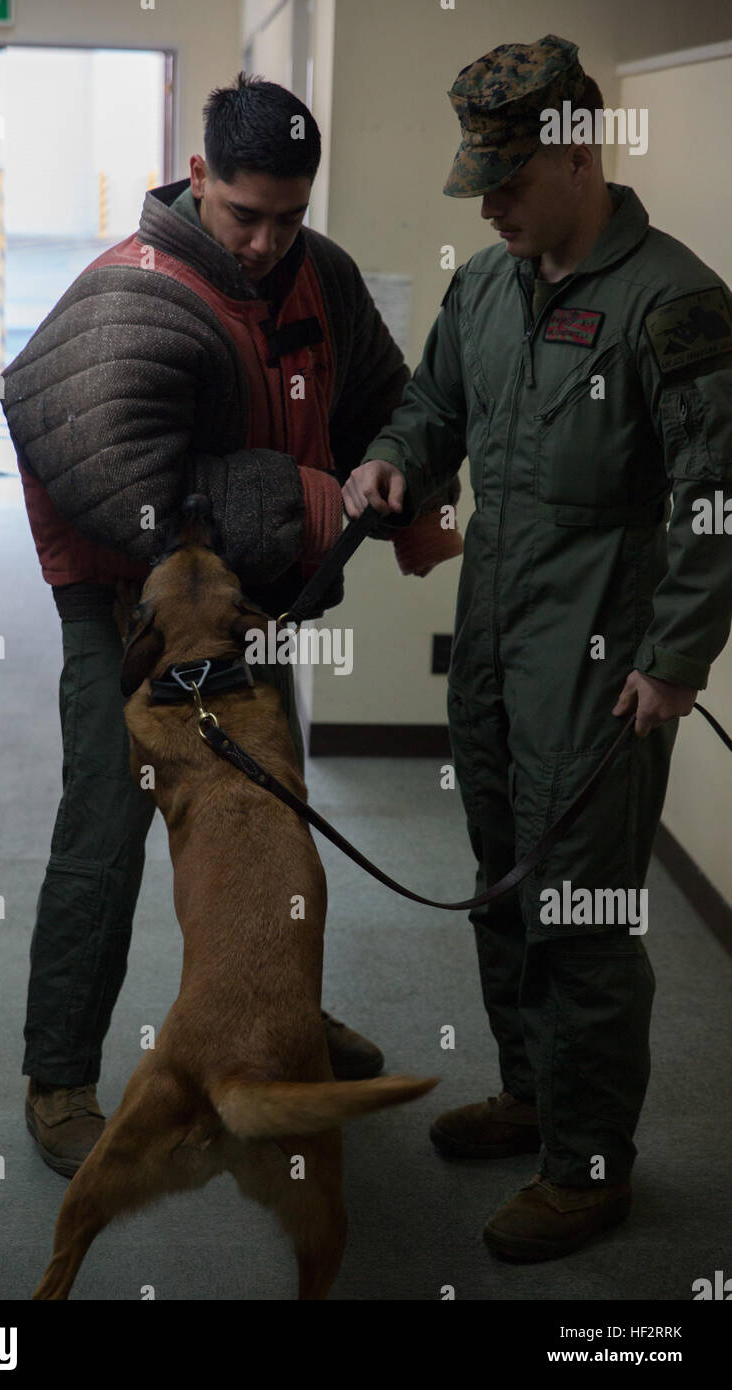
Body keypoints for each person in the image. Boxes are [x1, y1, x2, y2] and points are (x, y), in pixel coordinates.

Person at [0, 73, 462, 1177]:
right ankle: (59, 1079)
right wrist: (312, 499)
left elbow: (384, 402)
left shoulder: (320, 274)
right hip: (128, 610)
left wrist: (402, 481)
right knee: (106, 834)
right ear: (198, 174)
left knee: (266, 826)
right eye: (244, 214)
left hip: (243, 608)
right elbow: (138, 498)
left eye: (288, 217)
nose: (264, 242)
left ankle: (283, 1023)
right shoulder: (130, 295)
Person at [345, 34, 732, 1261]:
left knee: (581, 917)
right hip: (492, 651)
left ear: (576, 153)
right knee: (501, 889)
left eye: (507, 180)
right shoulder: (484, 286)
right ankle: (531, 1096)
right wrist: (395, 459)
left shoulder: (671, 302)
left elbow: (714, 497)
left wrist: (674, 657)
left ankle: (587, 1167)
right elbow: (432, 407)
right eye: (479, 181)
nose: (489, 206)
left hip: (601, 671)